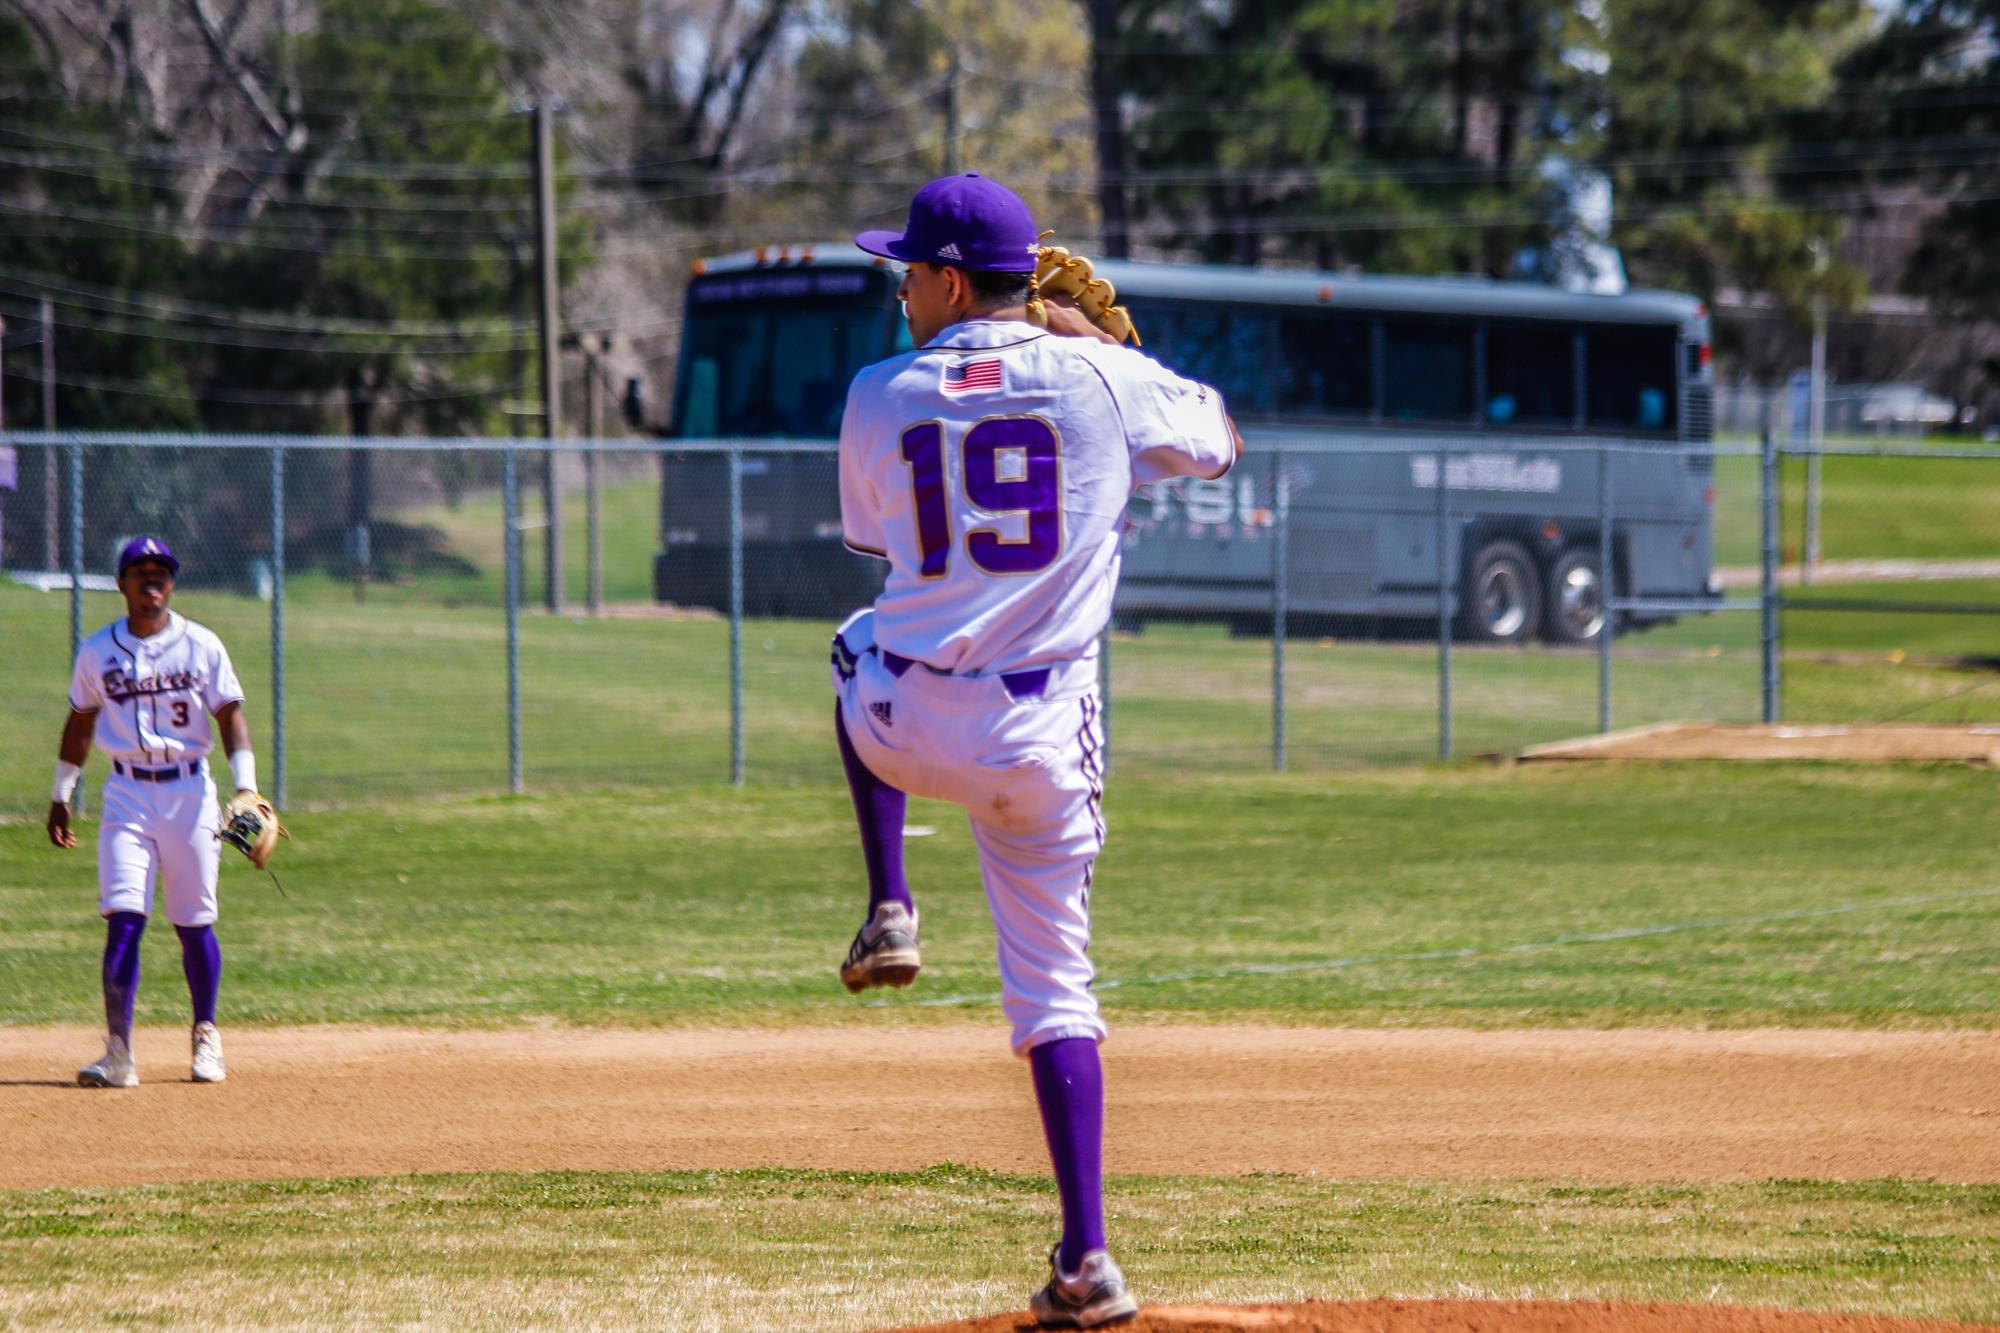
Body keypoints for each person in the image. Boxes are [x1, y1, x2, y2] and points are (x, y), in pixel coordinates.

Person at [831, 173, 1240, 1327]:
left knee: (853, 642)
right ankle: (1088, 1259)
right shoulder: (1108, 381)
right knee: (1057, 990)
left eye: (907, 270)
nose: (900, 287)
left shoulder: (874, 393)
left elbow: (877, 536)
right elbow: (1220, 443)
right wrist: (1094, 353)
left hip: (908, 721)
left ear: (951, 282)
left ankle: (890, 901)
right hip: (1043, 736)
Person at [48, 537, 260, 1088]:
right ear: (121, 584)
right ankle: (119, 1052)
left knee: (194, 924)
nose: (152, 581)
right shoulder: (98, 650)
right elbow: (80, 723)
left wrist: (247, 788)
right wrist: (61, 794)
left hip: (191, 794)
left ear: (172, 582)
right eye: (140, 572)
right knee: (123, 921)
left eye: (161, 572)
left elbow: (230, 714)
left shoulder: (202, 645)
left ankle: (205, 1035)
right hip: (126, 795)